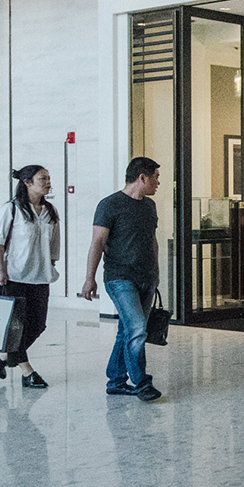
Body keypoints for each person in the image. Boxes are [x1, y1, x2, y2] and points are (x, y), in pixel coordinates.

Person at [81, 157, 163, 402]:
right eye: (156, 177)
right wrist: (89, 278)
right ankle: (142, 383)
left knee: (127, 331)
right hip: (120, 277)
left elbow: (152, 240)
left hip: (146, 277)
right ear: (142, 178)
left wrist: (156, 271)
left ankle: (116, 381)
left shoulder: (150, 206)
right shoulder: (109, 205)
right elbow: (97, 242)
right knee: (137, 329)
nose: (158, 182)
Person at [0, 165, 61, 389]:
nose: (48, 182)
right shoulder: (11, 209)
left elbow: (54, 244)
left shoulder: (50, 211)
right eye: (43, 178)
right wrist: (0, 270)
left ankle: (2, 356)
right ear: (27, 182)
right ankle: (27, 372)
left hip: (40, 276)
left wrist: (51, 263)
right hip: (15, 277)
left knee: (37, 325)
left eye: (49, 178)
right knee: (16, 327)